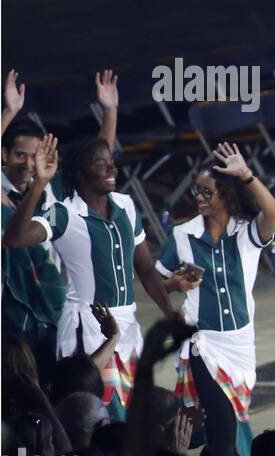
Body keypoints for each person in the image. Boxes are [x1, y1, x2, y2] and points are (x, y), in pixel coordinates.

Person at [2, 132, 179, 421]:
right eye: (101, 164)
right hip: (88, 328)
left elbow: (145, 268)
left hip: (126, 325)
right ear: (80, 172)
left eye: (111, 162)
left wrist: (169, 311)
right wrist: (40, 184)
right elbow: (15, 237)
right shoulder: (64, 213)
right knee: (103, 416)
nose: (112, 169)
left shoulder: (126, 205)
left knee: (133, 415)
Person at [154, 142, 275, 456]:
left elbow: (272, 211)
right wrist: (173, 284)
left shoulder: (246, 234)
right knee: (223, 429)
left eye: (208, 191)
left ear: (227, 195)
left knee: (219, 429)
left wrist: (247, 175)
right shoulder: (183, 235)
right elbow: (154, 282)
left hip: (239, 344)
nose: (199, 196)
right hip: (203, 344)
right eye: (197, 190)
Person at [1, 70, 120, 375]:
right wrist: (9, 112)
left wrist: (110, 110)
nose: (27, 163)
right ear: (3, 154)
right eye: (19, 155)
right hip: (13, 316)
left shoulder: (48, 191)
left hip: (53, 308)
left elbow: (96, 162)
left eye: (34, 155)